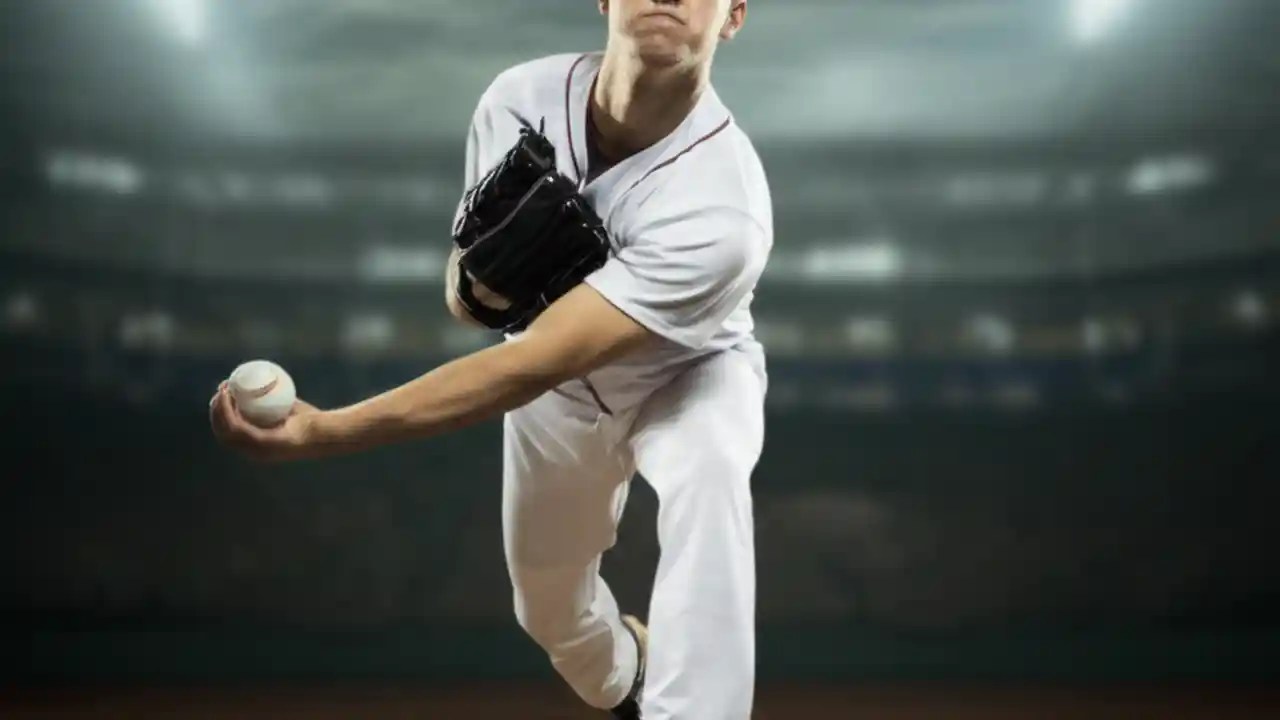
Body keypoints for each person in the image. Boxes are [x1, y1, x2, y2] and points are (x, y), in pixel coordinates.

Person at [209, 1, 771, 717]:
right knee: (546, 607)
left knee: (711, 471)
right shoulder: (518, 100)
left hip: (687, 371)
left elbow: (527, 362)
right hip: (561, 393)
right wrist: (477, 287)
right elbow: (469, 297)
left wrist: (328, 431)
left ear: (733, 17)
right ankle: (624, 674)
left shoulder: (726, 212)